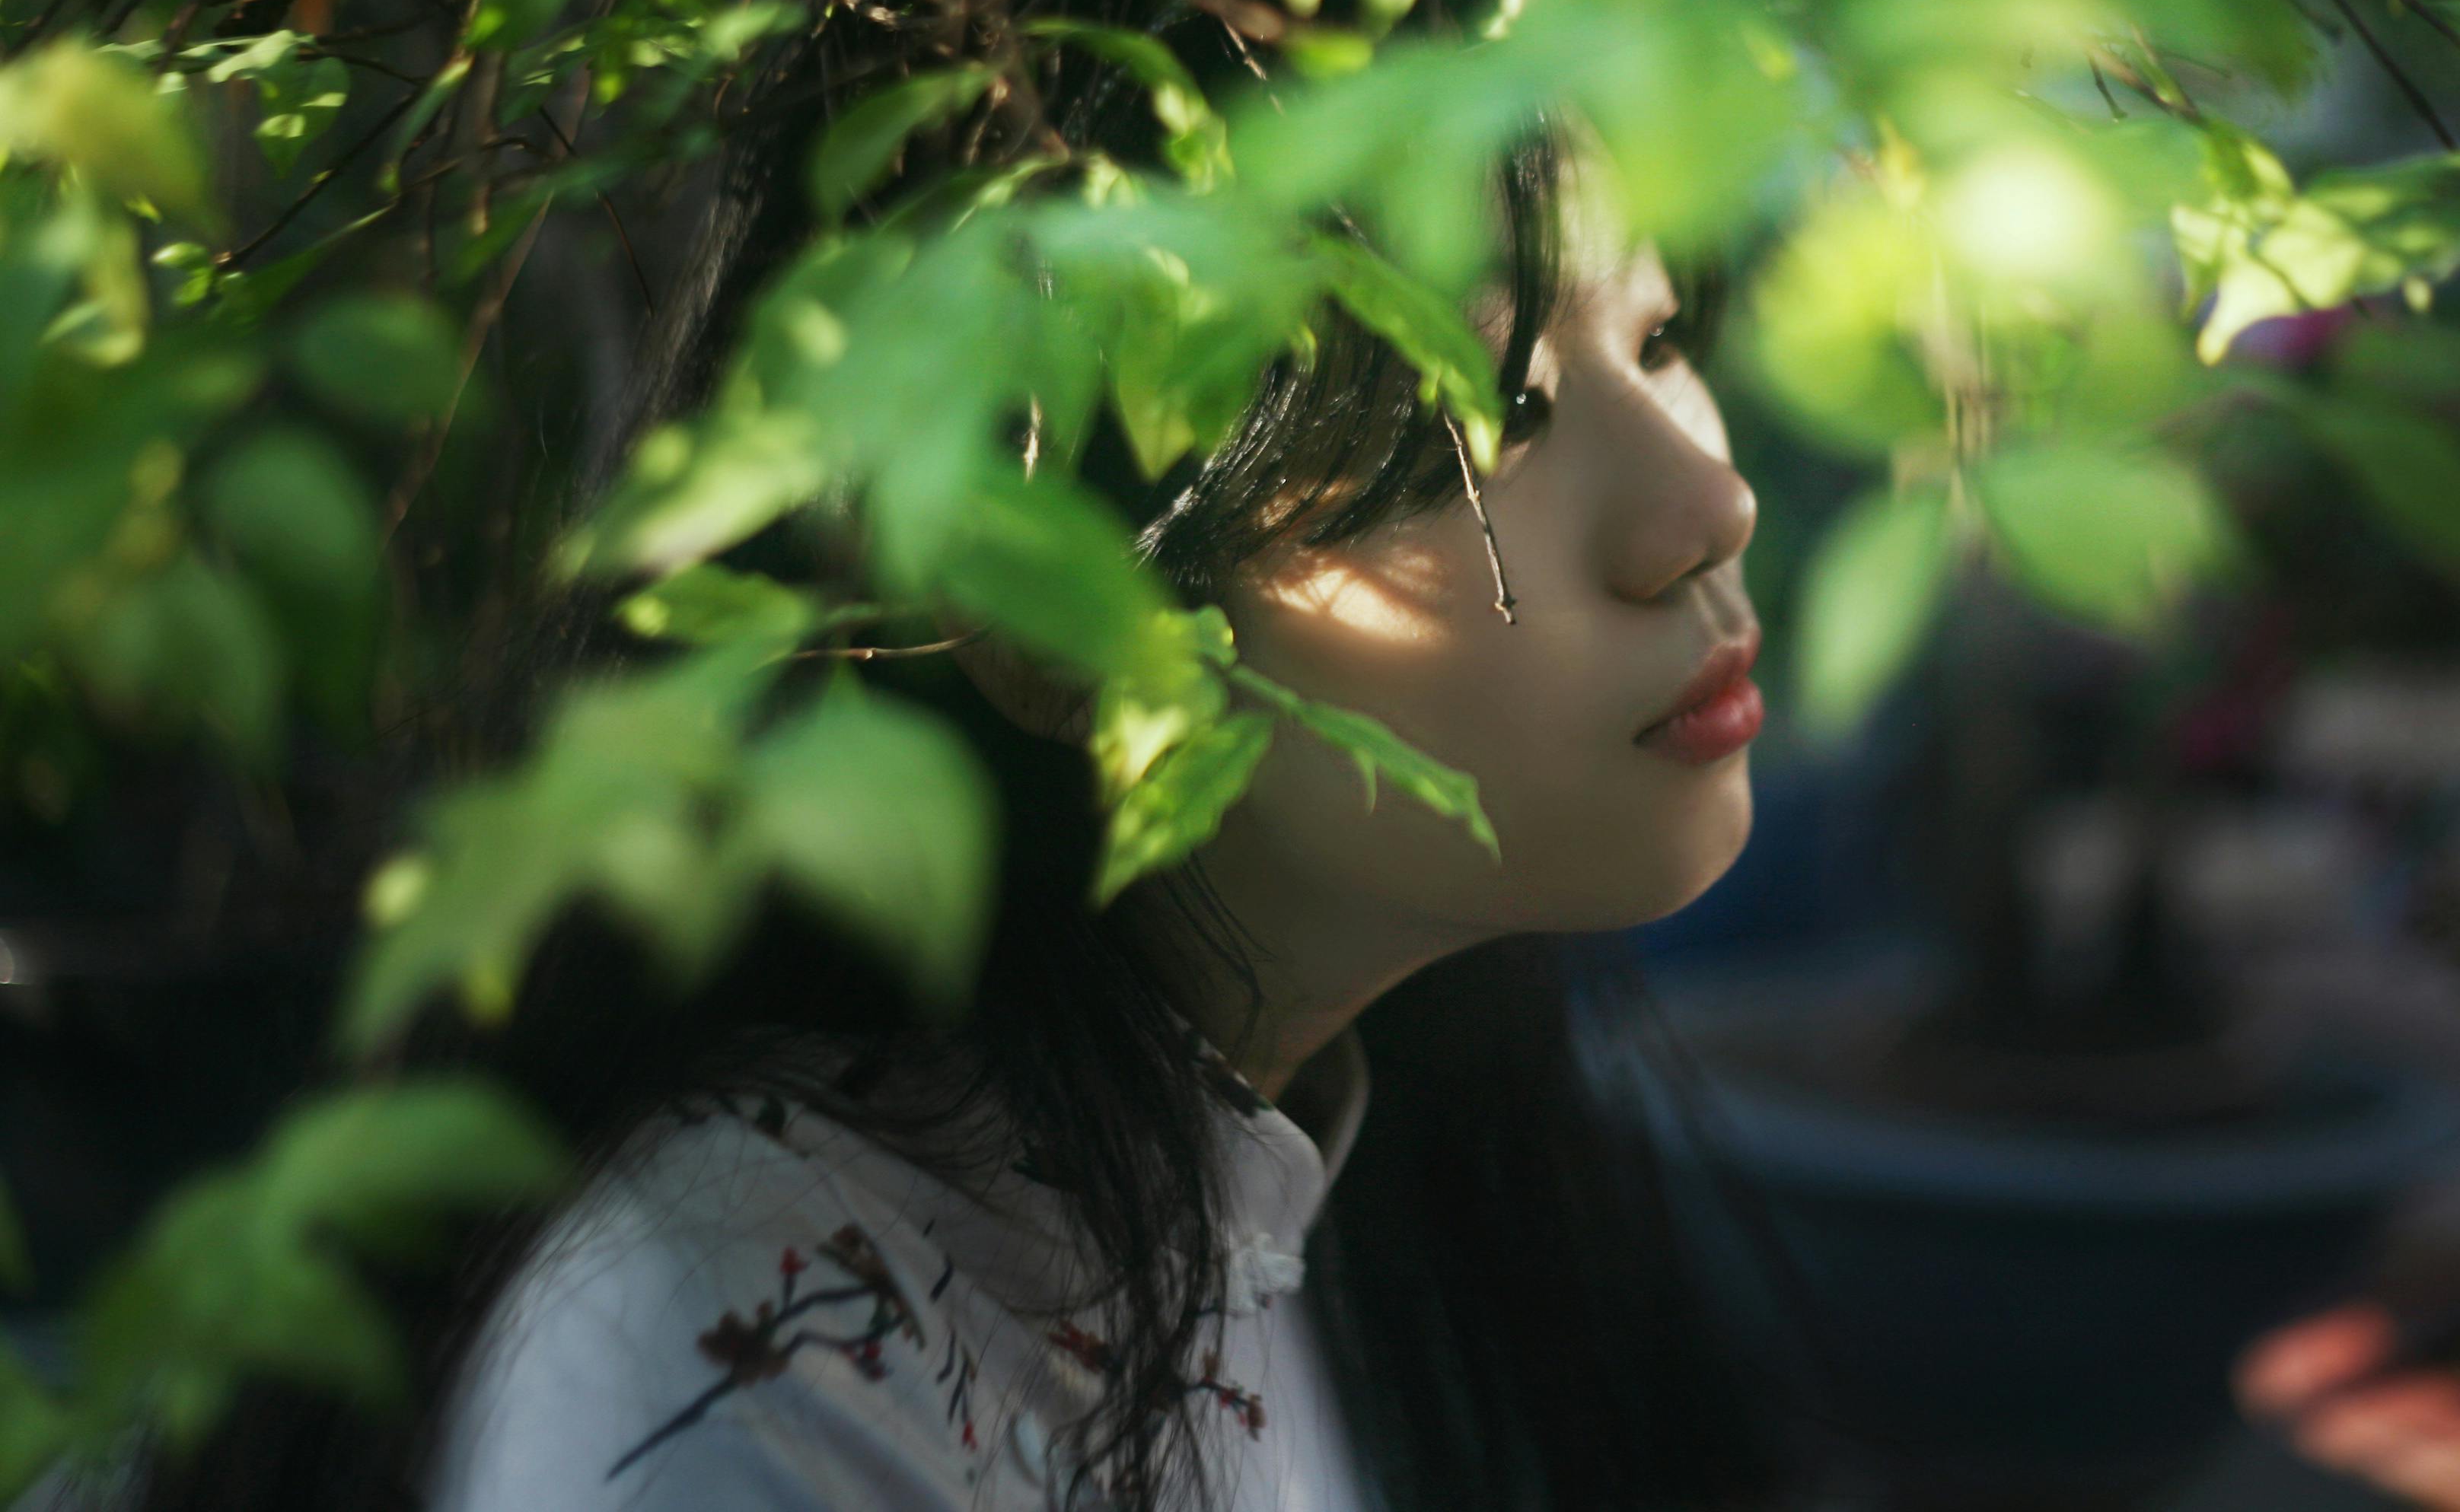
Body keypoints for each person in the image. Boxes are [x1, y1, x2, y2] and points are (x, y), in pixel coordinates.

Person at [135, 139, 1784, 1512]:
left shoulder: (1278, 1155)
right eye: (1478, 419)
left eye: (1655, 337)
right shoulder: (754, 1367)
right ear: (1032, 603)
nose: (1708, 505)